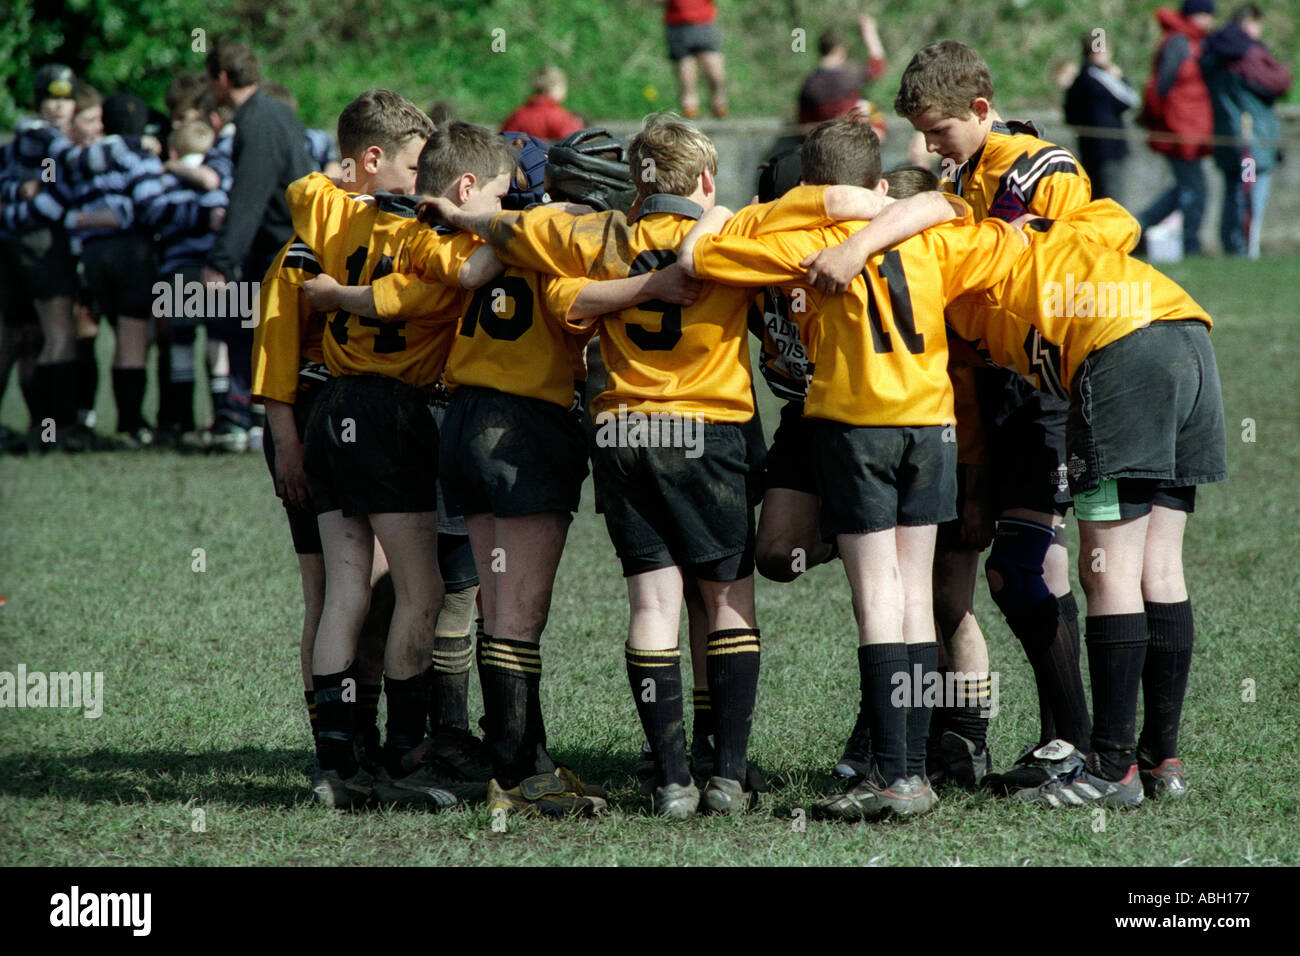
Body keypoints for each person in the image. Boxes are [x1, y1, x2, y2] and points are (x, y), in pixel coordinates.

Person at [682, 117, 1029, 820]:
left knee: (879, 599)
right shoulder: (934, 236)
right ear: (878, 183)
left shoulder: (804, 239)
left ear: (811, 188)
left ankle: (893, 774)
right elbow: (997, 229)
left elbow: (703, 258)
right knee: (913, 600)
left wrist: (727, 211)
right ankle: (913, 775)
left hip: (858, 428)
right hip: (931, 429)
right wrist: (910, 211)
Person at [837, 199, 1224, 805]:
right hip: (1189, 335)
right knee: (1160, 567)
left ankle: (1112, 769)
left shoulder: (954, 270)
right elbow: (1115, 222)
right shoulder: (1024, 243)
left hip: (1118, 352)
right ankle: (1159, 761)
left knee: (1108, 572)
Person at [893, 40, 1131, 794]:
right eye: (924, 135)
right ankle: (1053, 738)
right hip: (991, 391)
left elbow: (1082, 262)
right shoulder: (963, 175)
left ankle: (1077, 740)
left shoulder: (1042, 171)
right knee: (1004, 570)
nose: (931, 147)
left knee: (1023, 568)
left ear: (983, 111)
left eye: (940, 131)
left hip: (1042, 387)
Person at [202, 39, 314, 451]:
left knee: (255, 336)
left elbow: (249, 197)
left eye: (210, 80)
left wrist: (220, 260)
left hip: (277, 253)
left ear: (223, 79)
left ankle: (256, 423)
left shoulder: (255, 122)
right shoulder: (278, 112)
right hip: (293, 244)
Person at [1202, 3, 1293, 258]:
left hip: (1228, 139)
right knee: (1250, 193)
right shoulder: (1246, 54)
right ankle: (1245, 251)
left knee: (1234, 193)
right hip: (1251, 143)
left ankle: (1232, 247)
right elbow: (1279, 82)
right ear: (1248, 22)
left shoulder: (1213, 53)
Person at [1136, 0, 1217, 256]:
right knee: (1194, 189)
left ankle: (1137, 227)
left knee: (1186, 188)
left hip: (1192, 128)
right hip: (1179, 128)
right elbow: (1162, 87)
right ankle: (1190, 244)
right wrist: (1163, 124)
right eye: (1206, 14)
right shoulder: (1179, 43)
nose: (1211, 21)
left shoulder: (1195, 42)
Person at [1064, 31, 1141, 201]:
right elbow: (1130, 99)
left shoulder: (1079, 79)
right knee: (1112, 203)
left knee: (1097, 202)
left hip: (1089, 149)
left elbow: (1069, 114)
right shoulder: (1099, 77)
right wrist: (1120, 78)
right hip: (1108, 150)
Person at [797, 15, 887, 126]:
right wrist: (870, 33)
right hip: (848, 130)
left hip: (820, 135)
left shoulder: (809, 83)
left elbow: (803, 119)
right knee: (871, 109)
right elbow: (877, 66)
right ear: (840, 51)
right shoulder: (848, 75)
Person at [658, 0, 728, 118]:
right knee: (685, 71)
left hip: (704, 22)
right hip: (678, 24)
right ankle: (689, 109)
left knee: (714, 68)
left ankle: (719, 102)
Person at [498, 66, 583, 142]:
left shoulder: (517, 116)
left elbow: (502, 142)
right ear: (554, 87)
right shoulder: (561, 118)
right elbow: (576, 145)